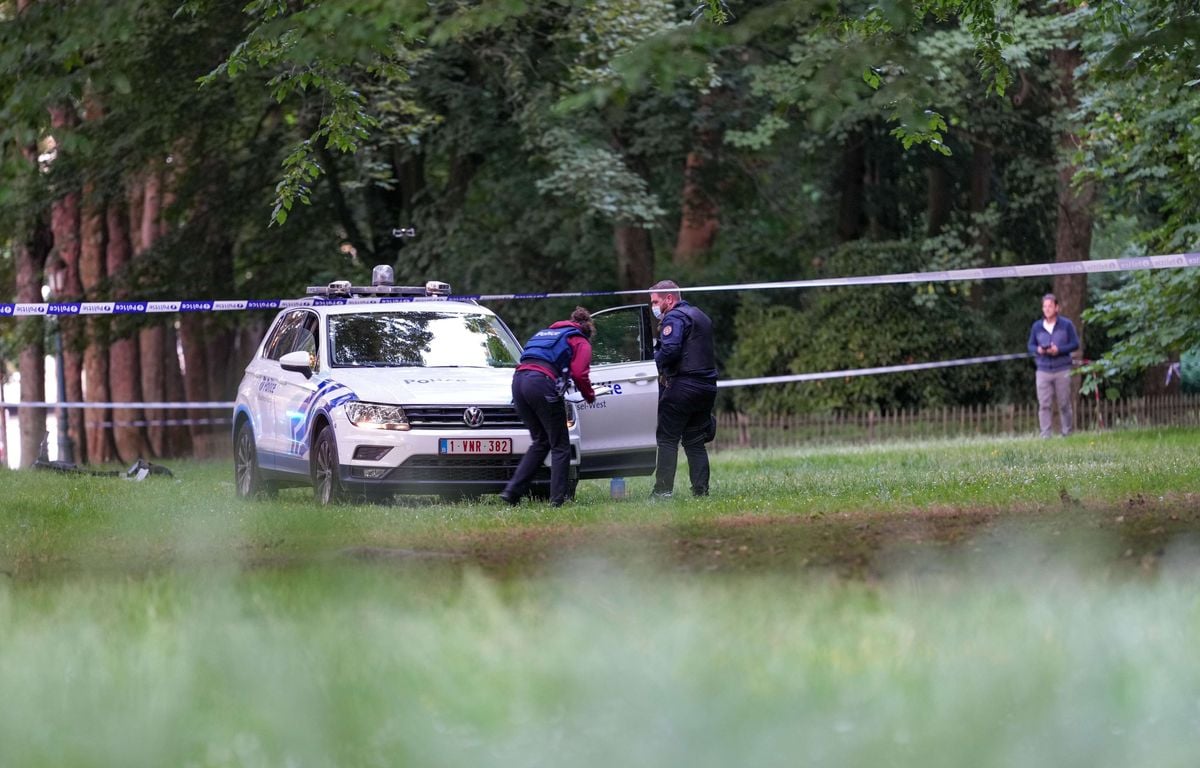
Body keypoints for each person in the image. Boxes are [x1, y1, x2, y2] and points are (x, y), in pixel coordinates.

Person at [500, 307, 596, 507]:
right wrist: (589, 395)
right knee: (560, 446)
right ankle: (557, 501)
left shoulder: (548, 333)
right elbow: (579, 373)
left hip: (518, 382)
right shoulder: (581, 341)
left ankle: (512, 492)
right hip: (540, 384)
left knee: (541, 441)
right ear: (587, 331)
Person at [648, 280, 718, 498]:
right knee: (695, 441)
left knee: (667, 439)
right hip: (707, 386)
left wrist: (651, 364)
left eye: (655, 301)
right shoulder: (700, 315)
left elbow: (670, 350)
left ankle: (662, 492)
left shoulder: (674, 317)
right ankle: (701, 491)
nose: (654, 307)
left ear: (669, 299)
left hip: (683, 385)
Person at [1027, 293, 1080, 438]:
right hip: (1043, 370)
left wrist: (1059, 350)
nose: (1047, 309)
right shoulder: (1037, 326)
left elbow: (1075, 344)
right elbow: (1030, 345)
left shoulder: (1066, 325)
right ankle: (1045, 435)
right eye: (1044, 306)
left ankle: (1067, 433)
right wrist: (1038, 349)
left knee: (1064, 403)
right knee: (1044, 404)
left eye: (1050, 306)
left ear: (1057, 307)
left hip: (1062, 368)